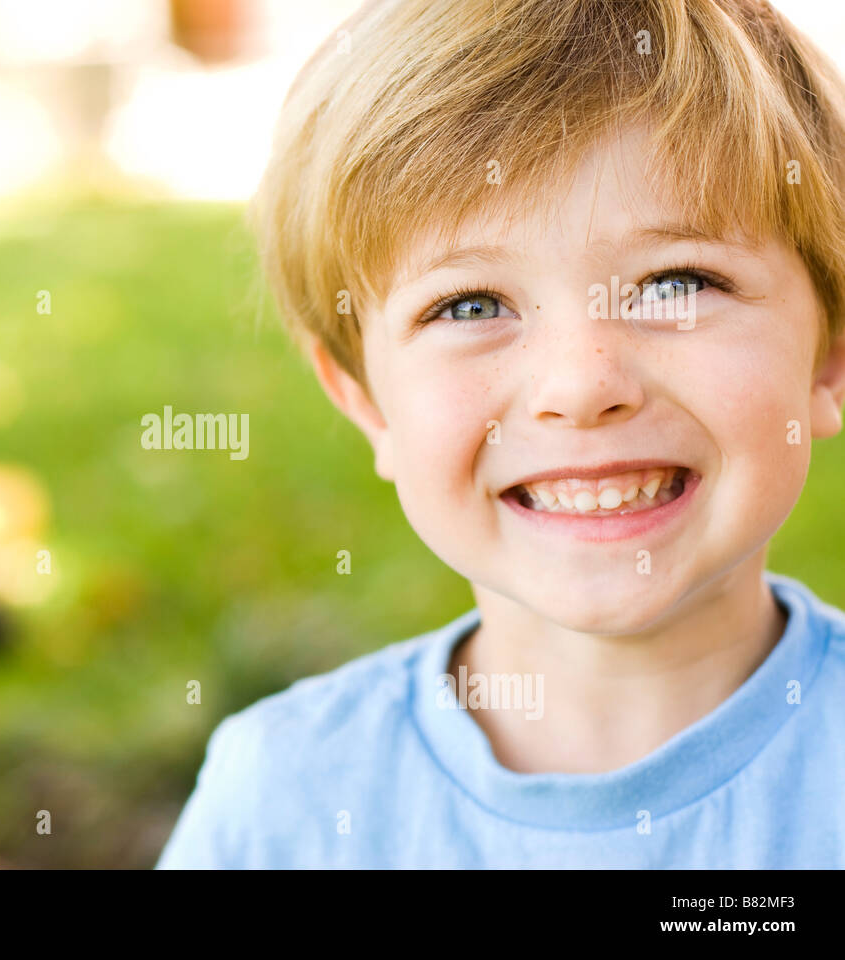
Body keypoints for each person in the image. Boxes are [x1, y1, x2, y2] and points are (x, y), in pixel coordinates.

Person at [156, 0, 845, 868]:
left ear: (829, 360)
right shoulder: (288, 796)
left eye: (677, 283)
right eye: (470, 305)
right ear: (369, 402)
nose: (582, 385)